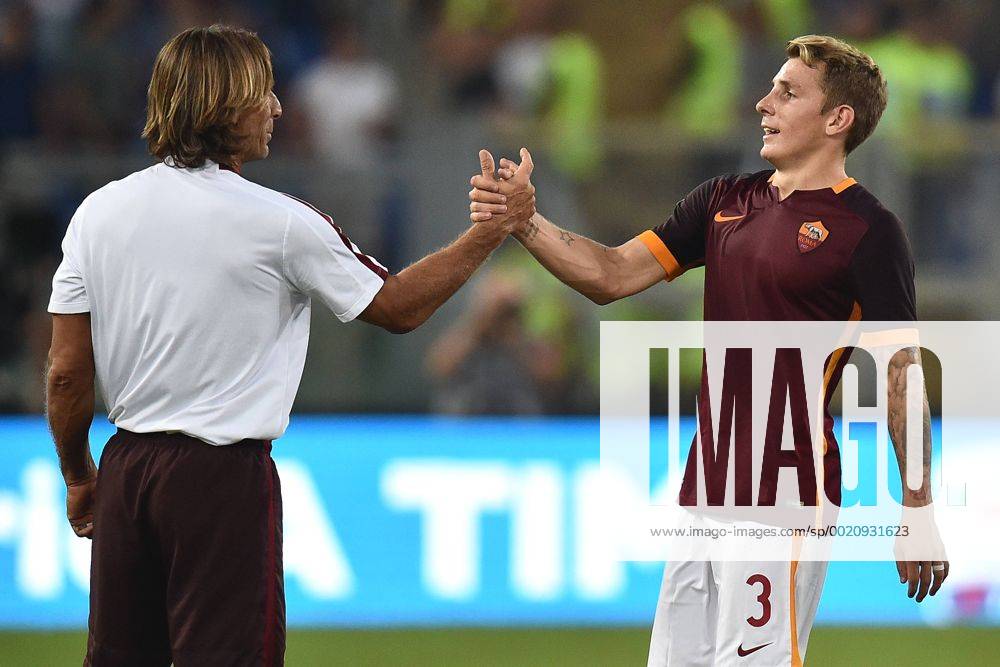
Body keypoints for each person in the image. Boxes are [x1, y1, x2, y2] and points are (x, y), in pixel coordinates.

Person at [45, 25, 533, 666]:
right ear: (223, 103)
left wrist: (81, 473)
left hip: (127, 468)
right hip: (221, 481)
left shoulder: (97, 213)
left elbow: (66, 374)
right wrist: (490, 233)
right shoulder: (279, 222)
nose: (277, 107)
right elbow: (397, 307)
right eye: (263, 93)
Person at [469, 35, 948, 666]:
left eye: (788, 92)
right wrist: (525, 221)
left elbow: (900, 373)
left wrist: (916, 507)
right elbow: (611, 274)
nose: (762, 103)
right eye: (772, 87)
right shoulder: (722, 201)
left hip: (786, 493)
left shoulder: (867, 230)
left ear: (838, 120)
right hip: (704, 490)